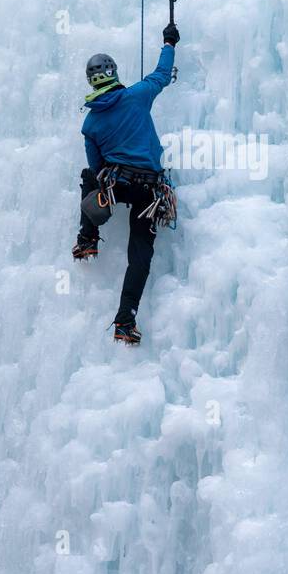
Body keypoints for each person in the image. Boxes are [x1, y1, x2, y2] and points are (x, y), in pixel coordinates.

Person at [73, 21, 180, 344]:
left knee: (89, 178)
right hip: (149, 190)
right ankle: (125, 320)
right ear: (114, 73)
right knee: (141, 255)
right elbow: (161, 76)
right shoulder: (137, 96)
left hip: (117, 182)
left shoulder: (90, 124)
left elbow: (96, 166)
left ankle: (87, 238)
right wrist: (169, 43)